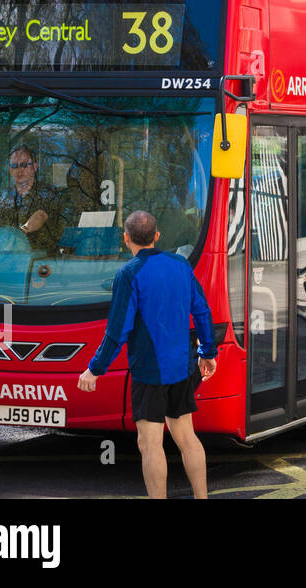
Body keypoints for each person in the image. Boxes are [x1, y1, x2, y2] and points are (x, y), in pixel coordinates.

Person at [77, 211, 218, 499]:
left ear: (125, 239)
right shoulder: (180, 264)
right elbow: (202, 311)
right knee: (187, 438)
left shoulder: (129, 274)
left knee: (150, 444)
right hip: (183, 367)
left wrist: (94, 369)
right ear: (157, 236)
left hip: (150, 372)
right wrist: (208, 352)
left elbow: (118, 332)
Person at [0, 145, 66, 253]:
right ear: (9, 169)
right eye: (14, 166)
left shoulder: (49, 195)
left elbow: (41, 215)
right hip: (7, 264)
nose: (19, 170)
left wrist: (22, 231)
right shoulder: (0, 200)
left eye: (24, 165)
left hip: (41, 264)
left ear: (35, 167)